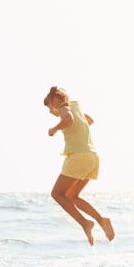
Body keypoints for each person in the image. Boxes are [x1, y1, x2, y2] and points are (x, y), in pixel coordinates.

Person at [44, 86, 115, 245]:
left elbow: (68, 119)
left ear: (56, 99)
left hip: (79, 156)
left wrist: (54, 129)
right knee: (71, 196)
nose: (50, 110)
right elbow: (89, 120)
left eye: (49, 105)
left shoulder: (64, 108)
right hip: (92, 157)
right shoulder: (76, 107)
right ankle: (101, 220)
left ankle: (85, 223)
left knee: (57, 194)